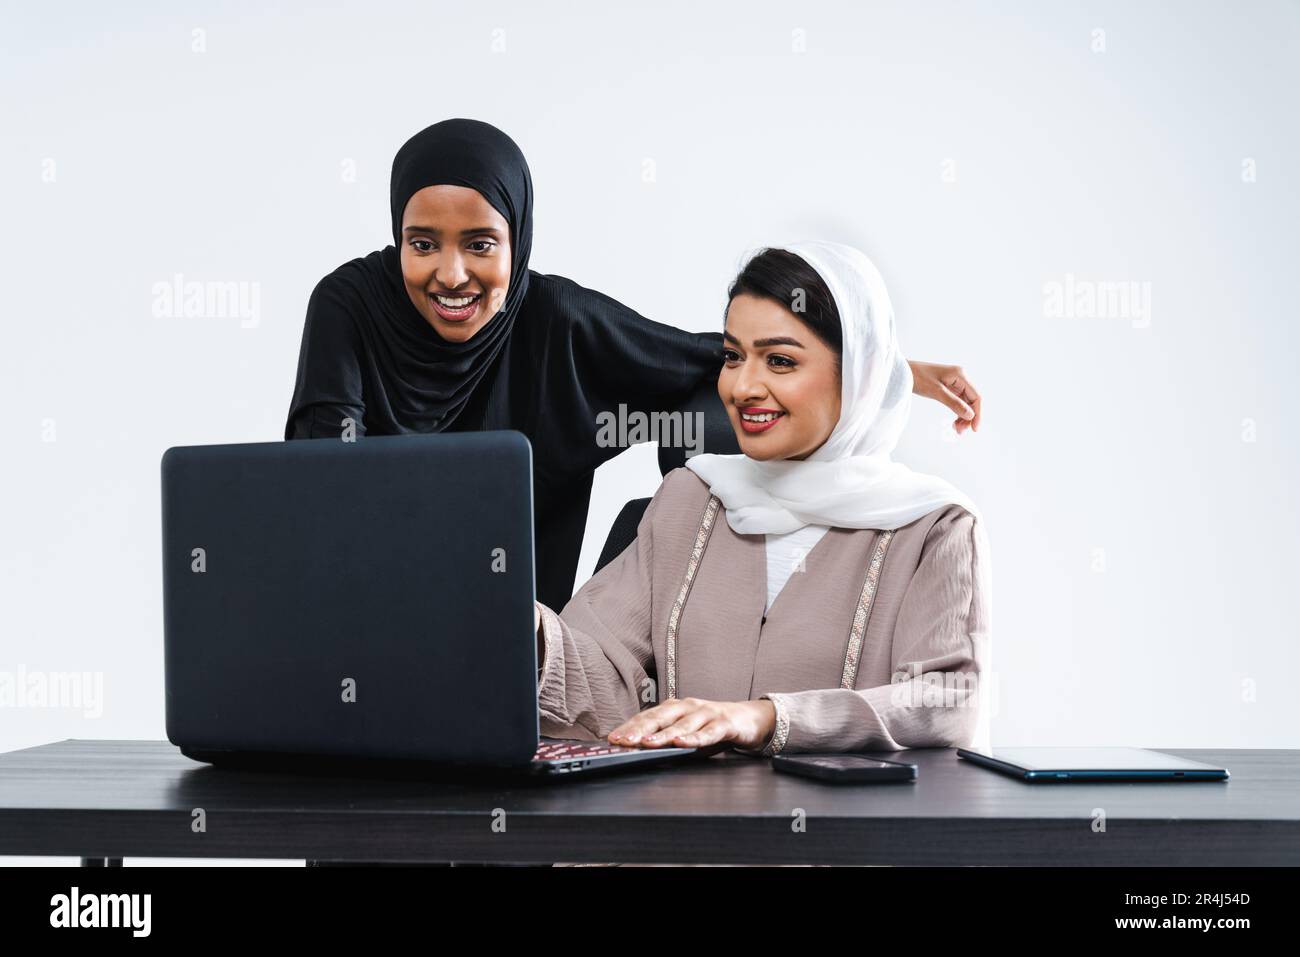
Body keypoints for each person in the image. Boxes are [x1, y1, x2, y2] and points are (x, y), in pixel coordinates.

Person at [284, 119, 984, 611]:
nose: (451, 273)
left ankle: (710, 611)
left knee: (705, 413)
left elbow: (698, 353)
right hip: (360, 598)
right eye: (422, 243)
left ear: (517, 239)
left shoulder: (554, 319)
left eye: (480, 244)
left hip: (513, 624)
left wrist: (889, 368)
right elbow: (317, 471)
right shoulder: (348, 304)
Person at [533, 241, 991, 764]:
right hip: (678, 832)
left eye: (779, 361)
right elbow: (606, 676)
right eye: (733, 357)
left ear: (858, 373)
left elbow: (946, 700)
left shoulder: (933, 526)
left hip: (838, 841)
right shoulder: (692, 496)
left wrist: (765, 717)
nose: (744, 386)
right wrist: (529, 634)